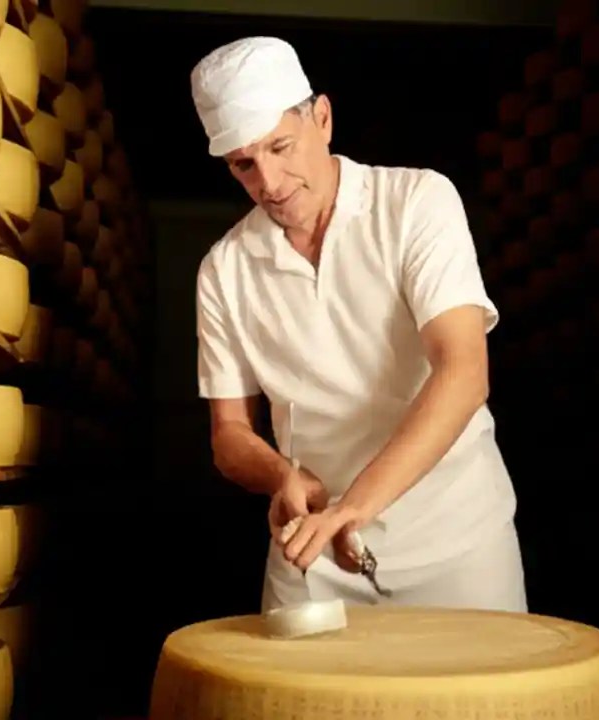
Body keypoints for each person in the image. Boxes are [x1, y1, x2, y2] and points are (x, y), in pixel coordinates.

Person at [190, 36, 527, 614]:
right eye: (245, 165)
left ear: (322, 118)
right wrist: (279, 476)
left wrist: (356, 506)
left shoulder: (416, 202)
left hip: (460, 544)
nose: (269, 182)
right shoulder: (224, 269)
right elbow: (229, 434)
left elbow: (465, 372)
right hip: (313, 557)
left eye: (281, 147)